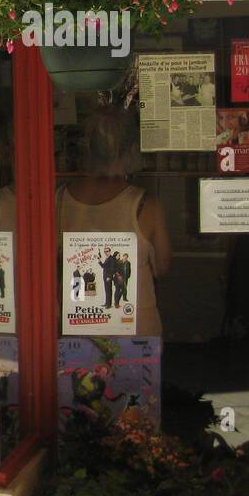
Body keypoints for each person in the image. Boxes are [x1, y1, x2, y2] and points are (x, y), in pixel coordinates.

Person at [57, 105, 171, 336]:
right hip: (135, 333)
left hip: (77, 330)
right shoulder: (146, 205)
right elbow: (162, 266)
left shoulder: (57, 201)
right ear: (130, 151)